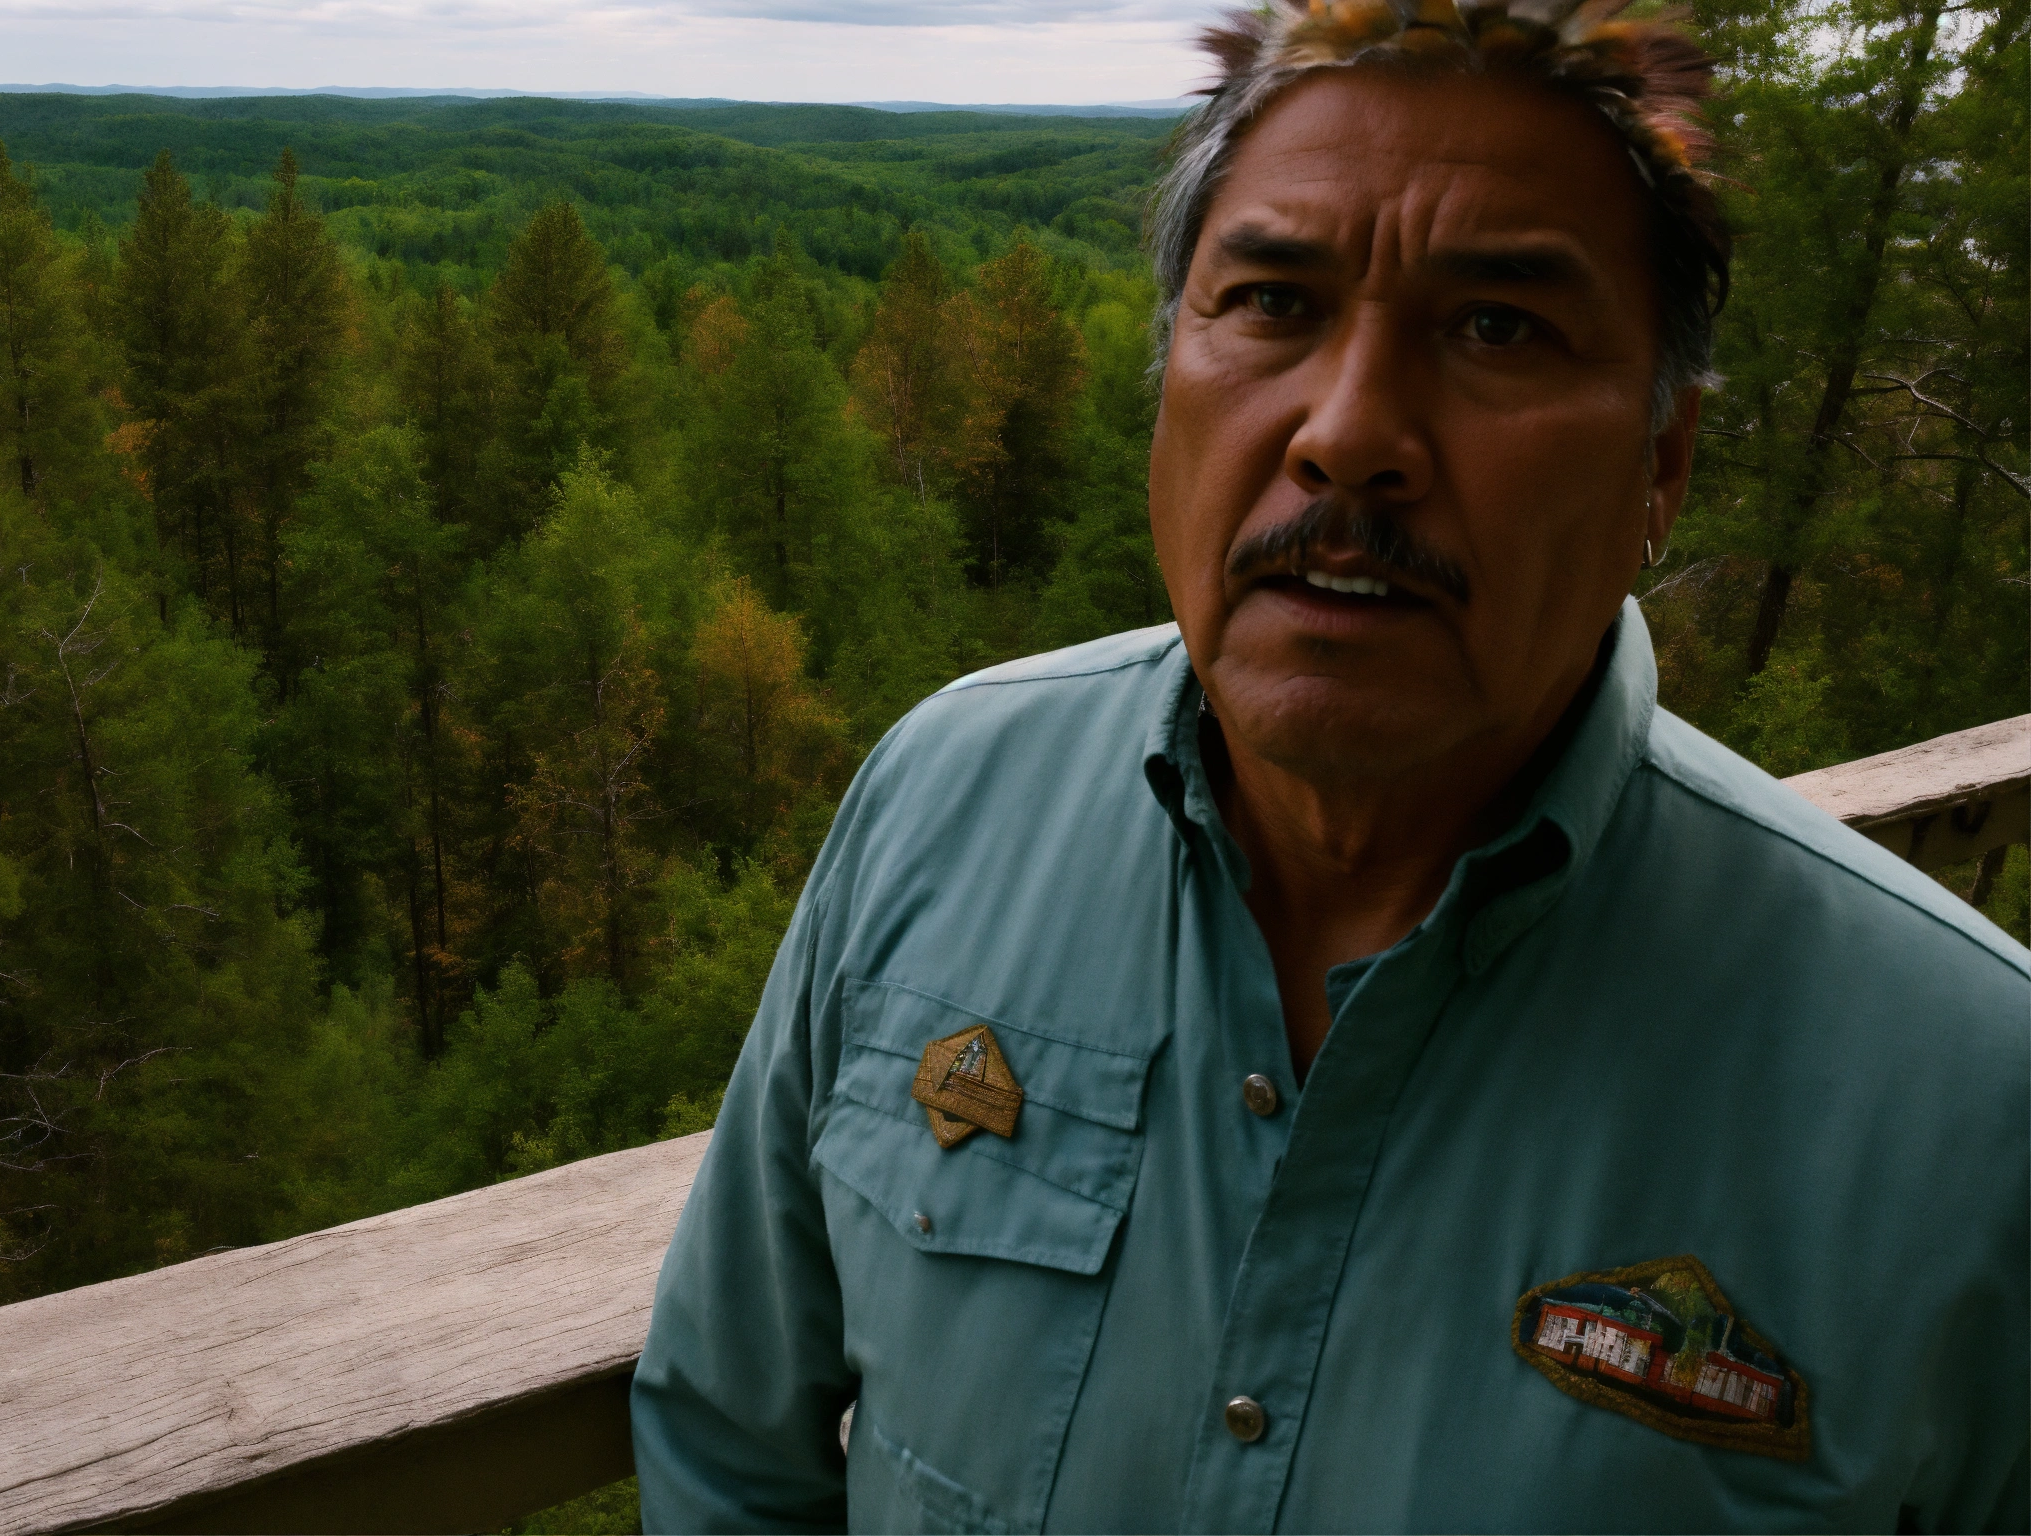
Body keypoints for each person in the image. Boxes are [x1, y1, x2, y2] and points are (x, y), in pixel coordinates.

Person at [628, 0, 2031, 1528]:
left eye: (1498, 327)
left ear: (1663, 466)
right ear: (1168, 388)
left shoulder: (1969, 1109)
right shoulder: (938, 806)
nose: (1350, 434)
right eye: (1273, 302)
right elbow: (728, 1444)